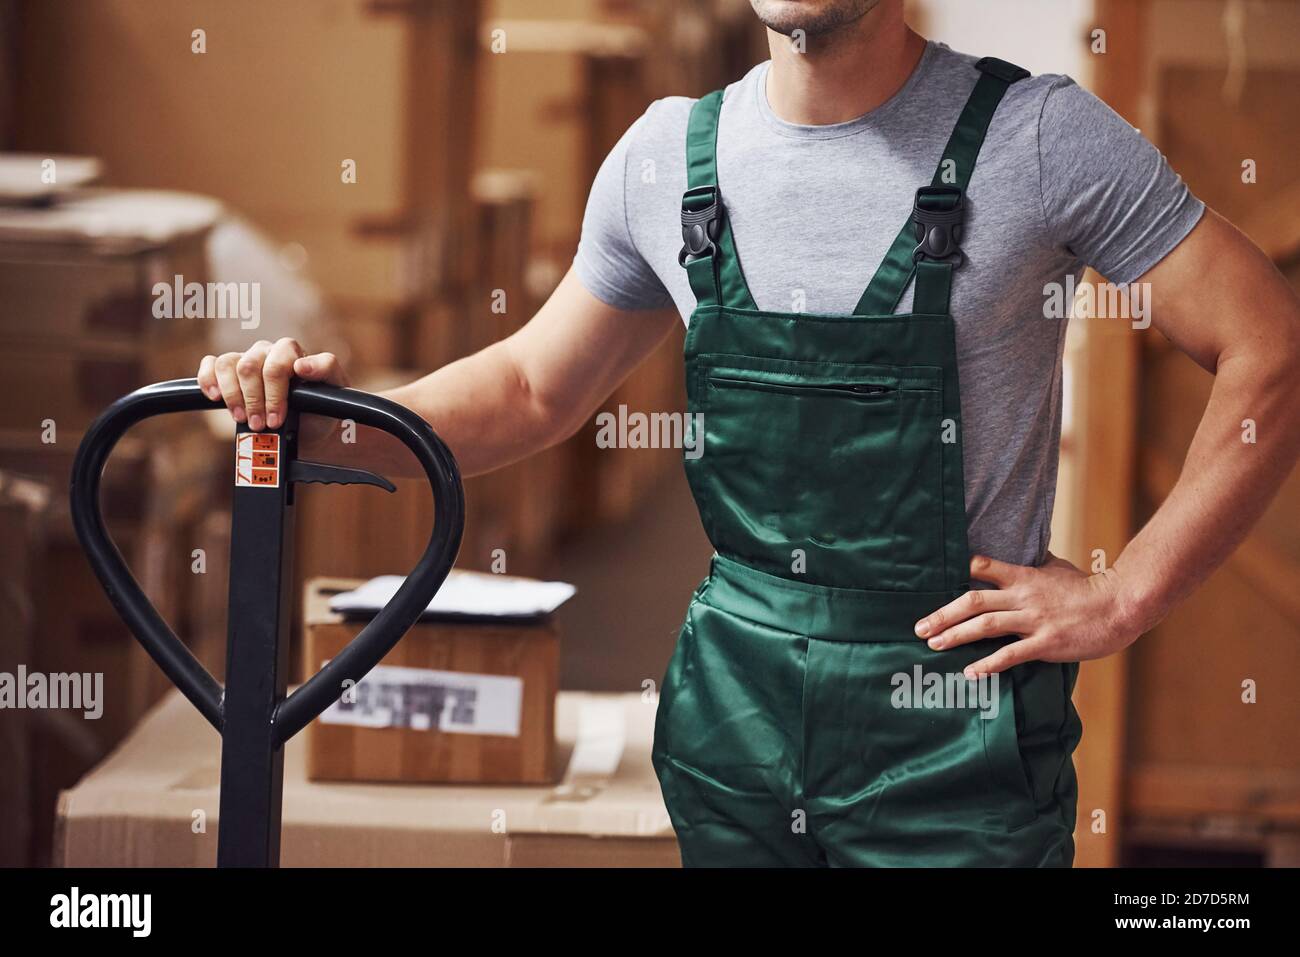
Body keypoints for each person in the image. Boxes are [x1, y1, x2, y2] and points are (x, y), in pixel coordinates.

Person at [197, 0, 1300, 866]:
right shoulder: (666, 157)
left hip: (953, 728)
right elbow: (534, 387)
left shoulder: (1040, 137)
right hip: (735, 719)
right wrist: (322, 425)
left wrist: (1124, 594)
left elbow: (1267, 345)